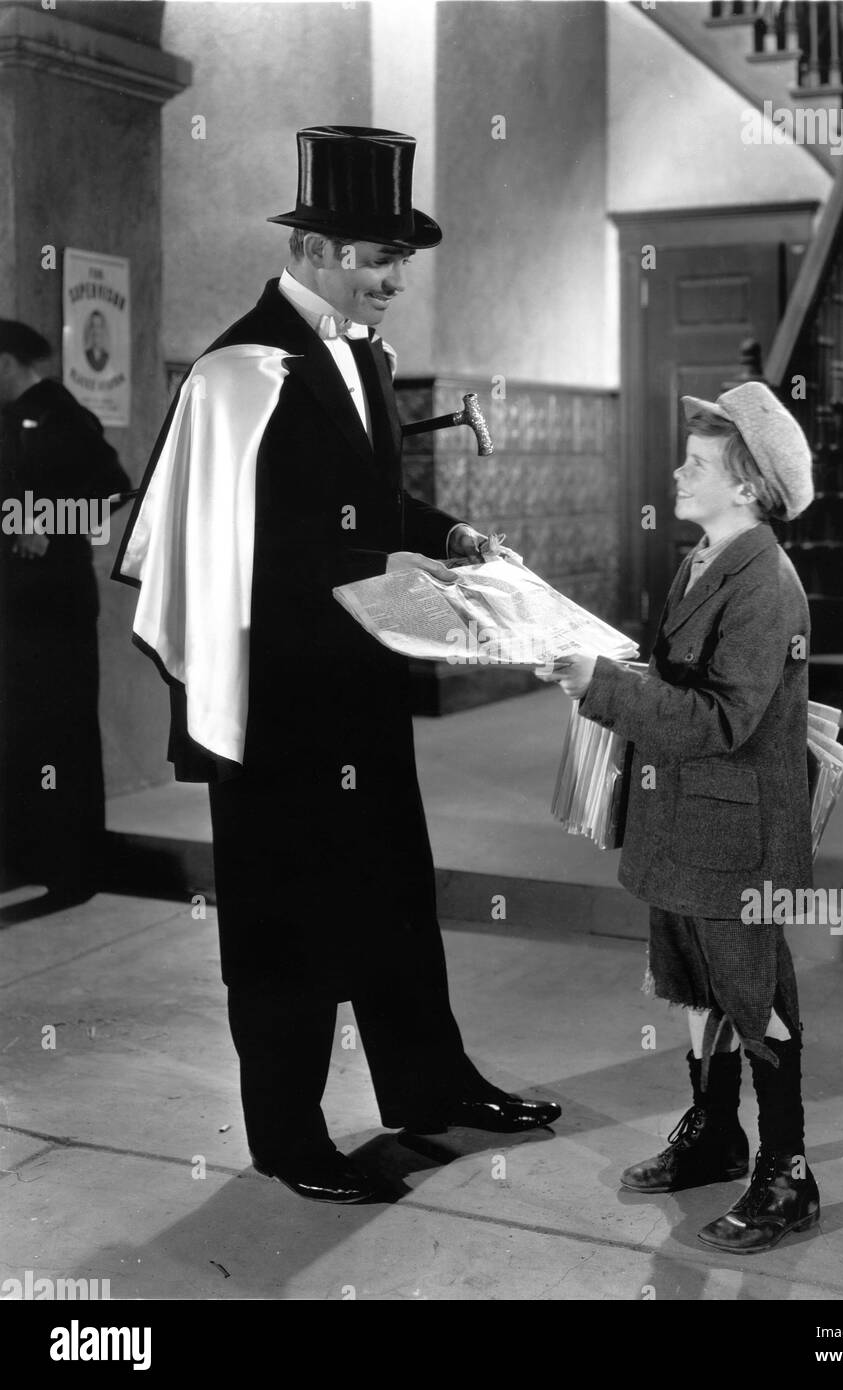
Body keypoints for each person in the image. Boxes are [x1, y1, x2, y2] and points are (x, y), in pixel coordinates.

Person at [113, 126, 560, 1205]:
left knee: (393, 894)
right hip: (276, 708)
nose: (395, 280)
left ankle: (429, 1084)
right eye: (377, 258)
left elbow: (359, 504)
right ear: (312, 248)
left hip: (360, 691)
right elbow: (231, 557)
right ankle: (286, 1135)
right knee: (284, 925)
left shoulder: (360, 355)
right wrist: (384, 562)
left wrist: (449, 539)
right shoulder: (239, 372)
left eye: (401, 258)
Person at [539, 382, 819, 1253]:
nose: (678, 471)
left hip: (735, 836)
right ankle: (715, 1134)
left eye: (696, 464)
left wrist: (607, 689)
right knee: (697, 986)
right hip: (684, 822)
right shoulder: (704, 558)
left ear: (745, 485)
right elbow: (682, 687)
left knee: (751, 992)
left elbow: (724, 721)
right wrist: (613, 671)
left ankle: (788, 1171)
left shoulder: (765, 582)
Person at [0, 319, 129, 909]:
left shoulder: (61, 414)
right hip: (13, 602)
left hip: (52, 604)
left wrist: (46, 522)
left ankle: (70, 868)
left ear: (8, 361)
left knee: (58, 731)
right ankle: (23, 856)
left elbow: (115, 489)